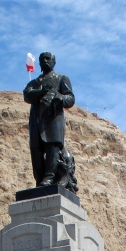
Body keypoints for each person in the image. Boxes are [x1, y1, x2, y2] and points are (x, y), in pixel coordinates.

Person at [23, 52, 75, 186]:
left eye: (48, 59)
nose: (45, 61)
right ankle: (39, 179)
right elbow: (27, 95)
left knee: (52, 146)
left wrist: (60, 98)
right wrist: (40, 92)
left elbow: (70, 98)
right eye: (42, 59)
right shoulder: (34, 83)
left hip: (53, 119)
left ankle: (49, 177)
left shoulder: (61, 78)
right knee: (35, 148)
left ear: (54, 62)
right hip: (36, 120)